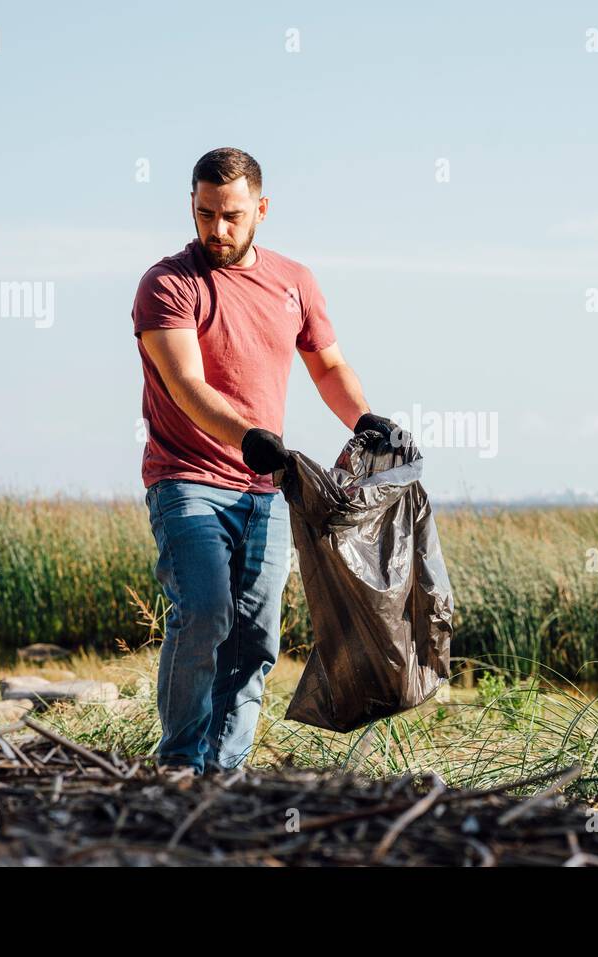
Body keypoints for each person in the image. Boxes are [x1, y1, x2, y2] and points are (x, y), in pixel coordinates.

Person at [132, 147, 406, 777]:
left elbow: (329, 365)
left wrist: (363, 420)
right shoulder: (168, 284)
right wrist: (252, 434)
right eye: (205, 214)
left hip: (267, 489)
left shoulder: (295, 282)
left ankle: (223, 773)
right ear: (192, 206)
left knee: (256, 639)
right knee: (204, 612)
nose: (217, 230)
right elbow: (188, 388)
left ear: (261, 208)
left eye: (231, 215)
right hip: (188, 481)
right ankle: (178, 765)